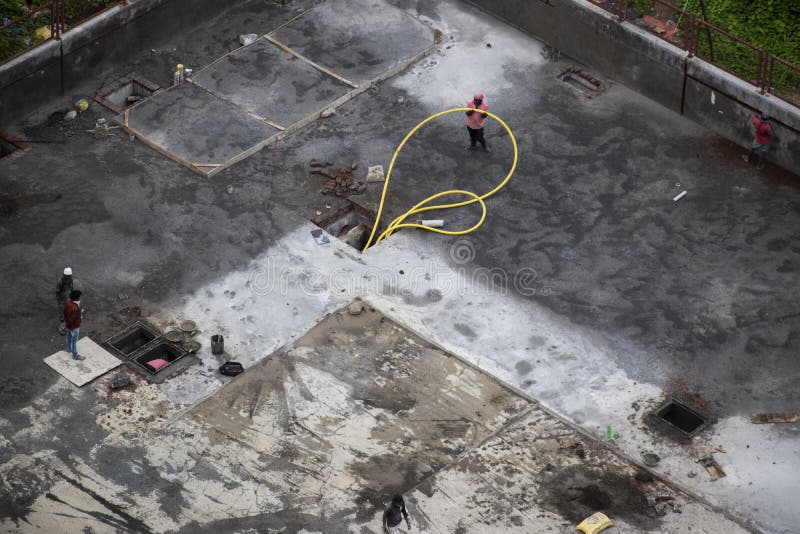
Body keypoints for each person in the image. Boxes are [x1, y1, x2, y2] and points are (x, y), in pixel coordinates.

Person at [64, 290, 84, 360]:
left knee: (69, 336)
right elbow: (72, 320)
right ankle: (75, 355)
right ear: (77, 298)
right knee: (74, 341)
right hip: (74, 327)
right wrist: (80, 316)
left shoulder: (68, 301)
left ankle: (69, 348)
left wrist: (66, 324)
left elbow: (65, 311)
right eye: (79, 297)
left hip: (69, 324)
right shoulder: (76, 309)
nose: (80, 298)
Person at [56, 267, 74, 335]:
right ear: (65, 275)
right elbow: (57, 292)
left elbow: (71, 287)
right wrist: (60, 301)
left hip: (68, 297)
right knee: (62, 313)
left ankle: (67, 324)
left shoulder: (70, 279)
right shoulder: (60, 281)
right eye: (68, 276)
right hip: (62, 299)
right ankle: (62, 327)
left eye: (70, 276)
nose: (69, 277)